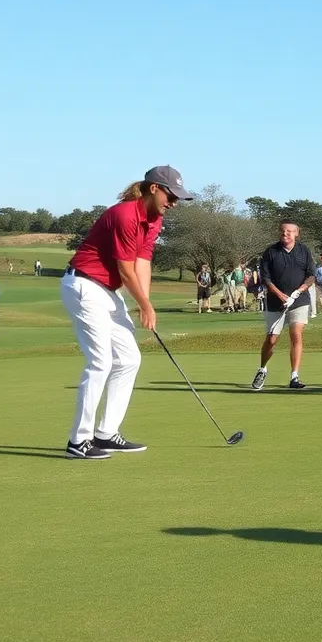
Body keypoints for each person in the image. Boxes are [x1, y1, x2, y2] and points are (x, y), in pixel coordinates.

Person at [61, 165, 194, 459]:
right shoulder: (124, 215)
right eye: (171, 196)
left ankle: (106, 433)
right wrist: (145, 306)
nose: (173, 203)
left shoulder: (154, 220)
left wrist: (144, 301)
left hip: (107, 291)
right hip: (84, 285)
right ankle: (78, 441)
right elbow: (125, 267)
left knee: (130, 359)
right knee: (100, 362)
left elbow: (143, 260)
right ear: (154, 189)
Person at [251, 222, 316, 390]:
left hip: (299, 301)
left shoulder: (304, 251)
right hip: (275, 302)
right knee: (272, 339)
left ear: (296, 234)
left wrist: (297, 292)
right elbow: (266, 278)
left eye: (289, 231)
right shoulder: (271, 252)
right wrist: (280, 295)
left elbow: (311, 276)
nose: (285, 233)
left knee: (296, 333)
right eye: (283, 231)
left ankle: (294, 376)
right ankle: (262, 368)